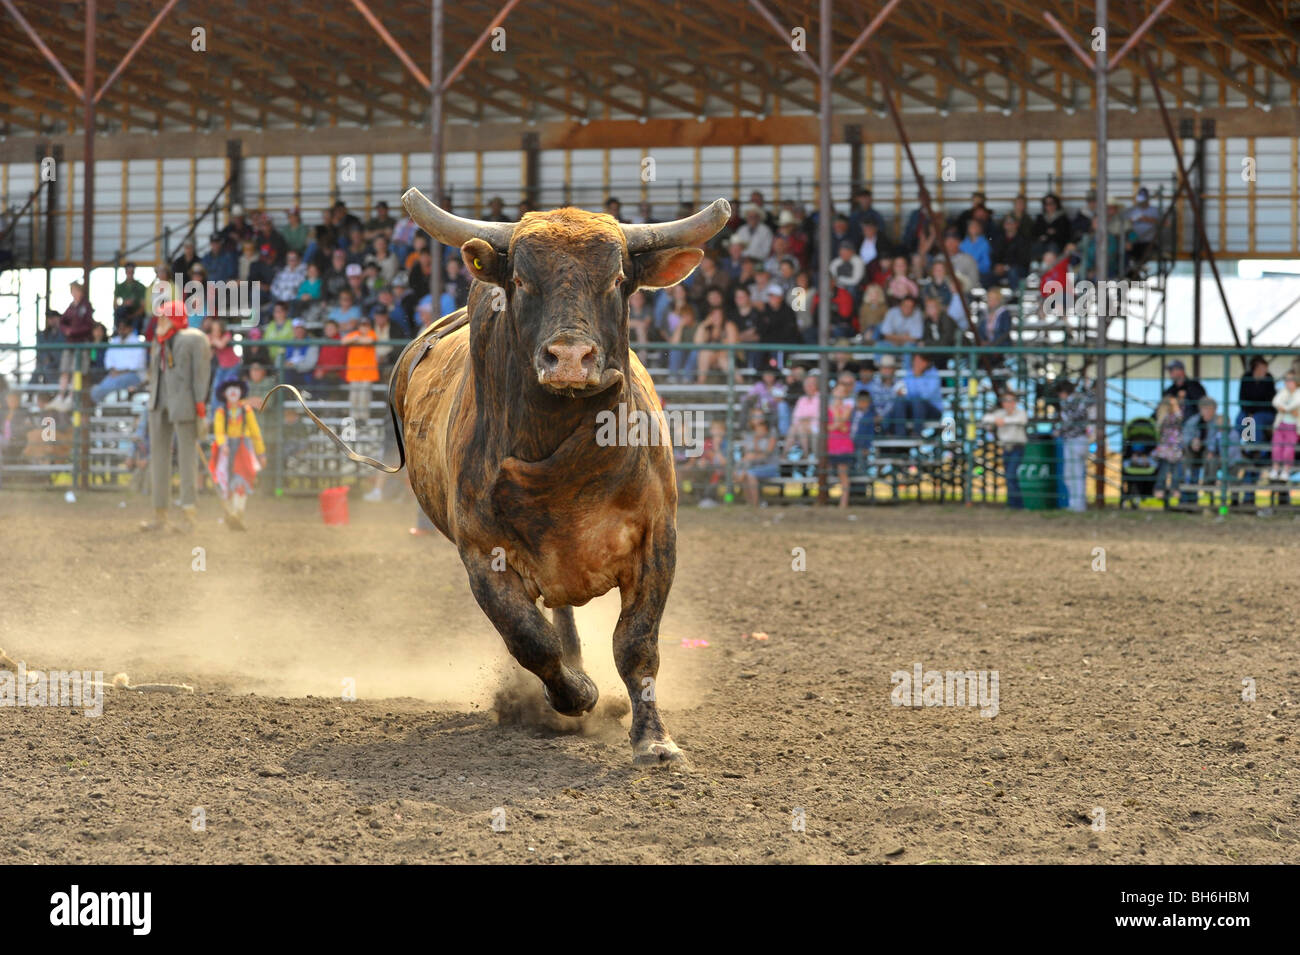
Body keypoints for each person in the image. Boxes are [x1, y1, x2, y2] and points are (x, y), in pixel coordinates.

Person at [141, 300, 212, 532]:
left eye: (164, 317)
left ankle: (188, 515)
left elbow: (200, 375)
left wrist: (200, 404)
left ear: (175, 318)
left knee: (187, 460)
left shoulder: (194, 339)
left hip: (184, 404)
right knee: (158, 459)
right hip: (158, 403)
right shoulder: (158, 341)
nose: (159, 321)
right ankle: (160, 514)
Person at [208, 378, 265, 531]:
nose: (233, 391)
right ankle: (231, 513)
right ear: (225, 393)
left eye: (236, 388)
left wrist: (261, 453)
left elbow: (255, 432)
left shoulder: (246, 411)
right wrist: (223, 444)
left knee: (241, 480)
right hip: (226, 451)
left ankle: (238, 512)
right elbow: (218, 431)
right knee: (227, 481)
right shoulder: (221, 412)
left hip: (243, 449)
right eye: (230, 389)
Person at [50, 281, 95, 412]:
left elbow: (88, 326)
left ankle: (71, 397)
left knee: (76, 370)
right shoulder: (71, 307)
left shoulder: (86, 306)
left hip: (81, 343)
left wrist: (73, 331)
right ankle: (60, 396)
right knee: (65, 369)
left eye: (77, 290)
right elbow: (62, 322)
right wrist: (66, 330)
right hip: (70, 343)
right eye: (73, 291)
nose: (75, 293)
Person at [981, 389, 1029, 508]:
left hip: (1017, 447)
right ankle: (1013, 504)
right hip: (1006, 448)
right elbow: (985, 419)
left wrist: (1004, 421)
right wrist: (997, 420)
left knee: (1011, 475)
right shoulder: (999, 413)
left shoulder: (1020, 412)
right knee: (1009, 475)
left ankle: (1016, 505)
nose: (1008, 403)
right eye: (1005, 401)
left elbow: (1022, 420)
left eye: (1011, 401)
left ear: (1015, 402)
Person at [1056, 378, 1093, 512]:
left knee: (1073, 474)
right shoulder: (1081, 399)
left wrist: (1059, 431)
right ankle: (1078, 503)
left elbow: (1069, 421)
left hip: (1074, 440)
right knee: (1076, 473)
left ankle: (1077, 505)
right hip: (1081, 440)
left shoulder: (1071, 403)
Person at [1181, 395, 1224, 504]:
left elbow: (1218, 439)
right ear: (1200, 410)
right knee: (1186, 464)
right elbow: (1185, 437)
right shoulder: (1193, 421)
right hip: (1193, 452)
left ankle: (1208, 487)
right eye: (1205, 409)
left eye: (1211, 409)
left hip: (1209, 452)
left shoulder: (1218, 421)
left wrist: (1208, 447)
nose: (1208, 412)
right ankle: (1187, 499)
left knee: (1211, 460)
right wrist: (1192, 442)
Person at [91, 322, 148, 403]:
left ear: (130, 328)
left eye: (124, 328)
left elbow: (137, 364)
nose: (121, 331)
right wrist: (114, 370)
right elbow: (108, 360)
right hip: (114, 374)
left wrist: (121, 372)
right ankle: (103, 407)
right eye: (120, 328)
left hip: (133, 375)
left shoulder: (137, 341)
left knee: (110, 386)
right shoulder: (115, 341)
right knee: (97, 390)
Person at [892, 352, 943, 436]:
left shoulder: (934, 374)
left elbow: (926, 396)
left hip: (933, 411)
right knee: (900, 400)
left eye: (919, 361)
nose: (916, 363)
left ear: (926, 363)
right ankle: (900, 434)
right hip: (914, 408)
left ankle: (917, 433)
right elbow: (906, 393)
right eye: (915, 360)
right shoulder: (910, 373)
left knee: (917, 400)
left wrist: (918, 376)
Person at [739, 410, 781, 507]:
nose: (758, 418)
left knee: (750, 473)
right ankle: (749, 503)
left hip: (770, 466)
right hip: (753, 465)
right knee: (743, 474)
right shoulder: (748, 433)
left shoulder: (771, 431)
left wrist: (756, 444)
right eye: (755, 416)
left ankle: (755, 504)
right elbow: (747, 453)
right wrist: (756, 440)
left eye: (760, 416)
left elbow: (767, 454)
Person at [1152, 394, 1184, 502]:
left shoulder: (1177, 416)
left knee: (1175, 471)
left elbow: (1180, 419)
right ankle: (1159, 489)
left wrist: (1176, 408)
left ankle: (1175, 489)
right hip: (1165, 449)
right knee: (1163, 470)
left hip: (1175, 449)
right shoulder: (1164, 417)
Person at [1269, 372, 1300, 481]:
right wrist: (1289, 410)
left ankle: (1286, 471)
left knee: (1288, 449)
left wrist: (1285, 408)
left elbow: (1295, 404)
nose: (1288, 383)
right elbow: (1275, 402)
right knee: (1276, 447)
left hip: (1293, 427)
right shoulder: (1283, 392)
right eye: (1286, 380)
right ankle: (1275, 469)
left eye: (1290, 380)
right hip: (1280, 425)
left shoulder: (1298, 393)